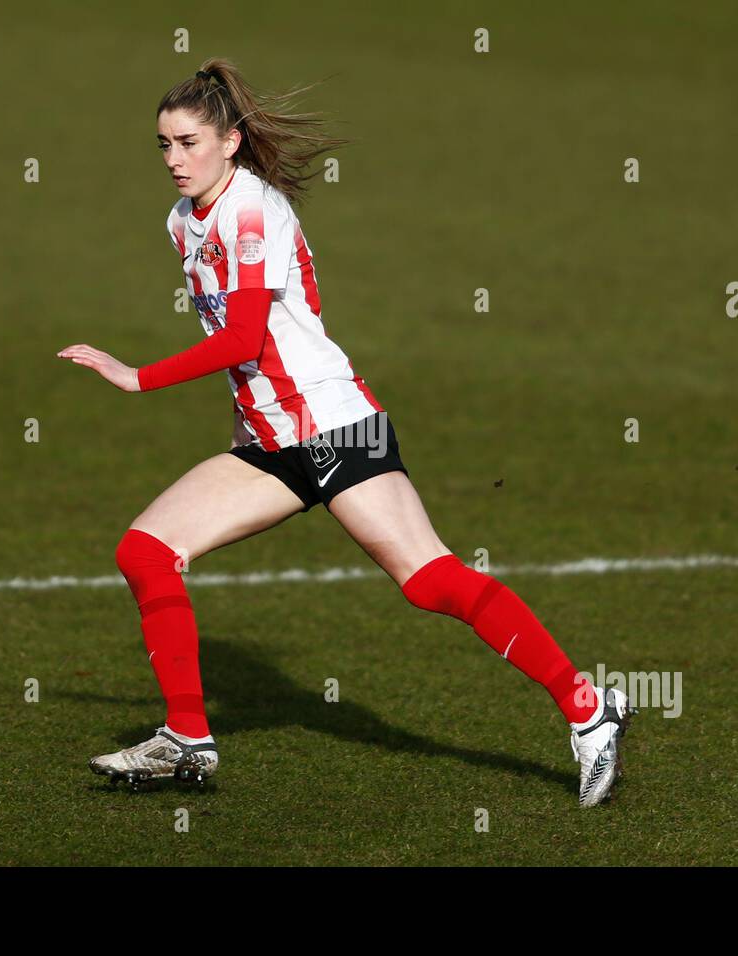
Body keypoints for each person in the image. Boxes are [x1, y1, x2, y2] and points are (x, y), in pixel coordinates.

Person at [58, 59, 633, 807]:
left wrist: (140, 376)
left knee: (429, 580)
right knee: (145, 552)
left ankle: (590, 712)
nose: (173, 159)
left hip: (334, 427)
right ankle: (187, 740)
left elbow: (241, 340)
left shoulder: (252, 211)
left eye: (188, 142)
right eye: (162, 145)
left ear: (230, 142)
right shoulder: (181, 222)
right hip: (268, 442)